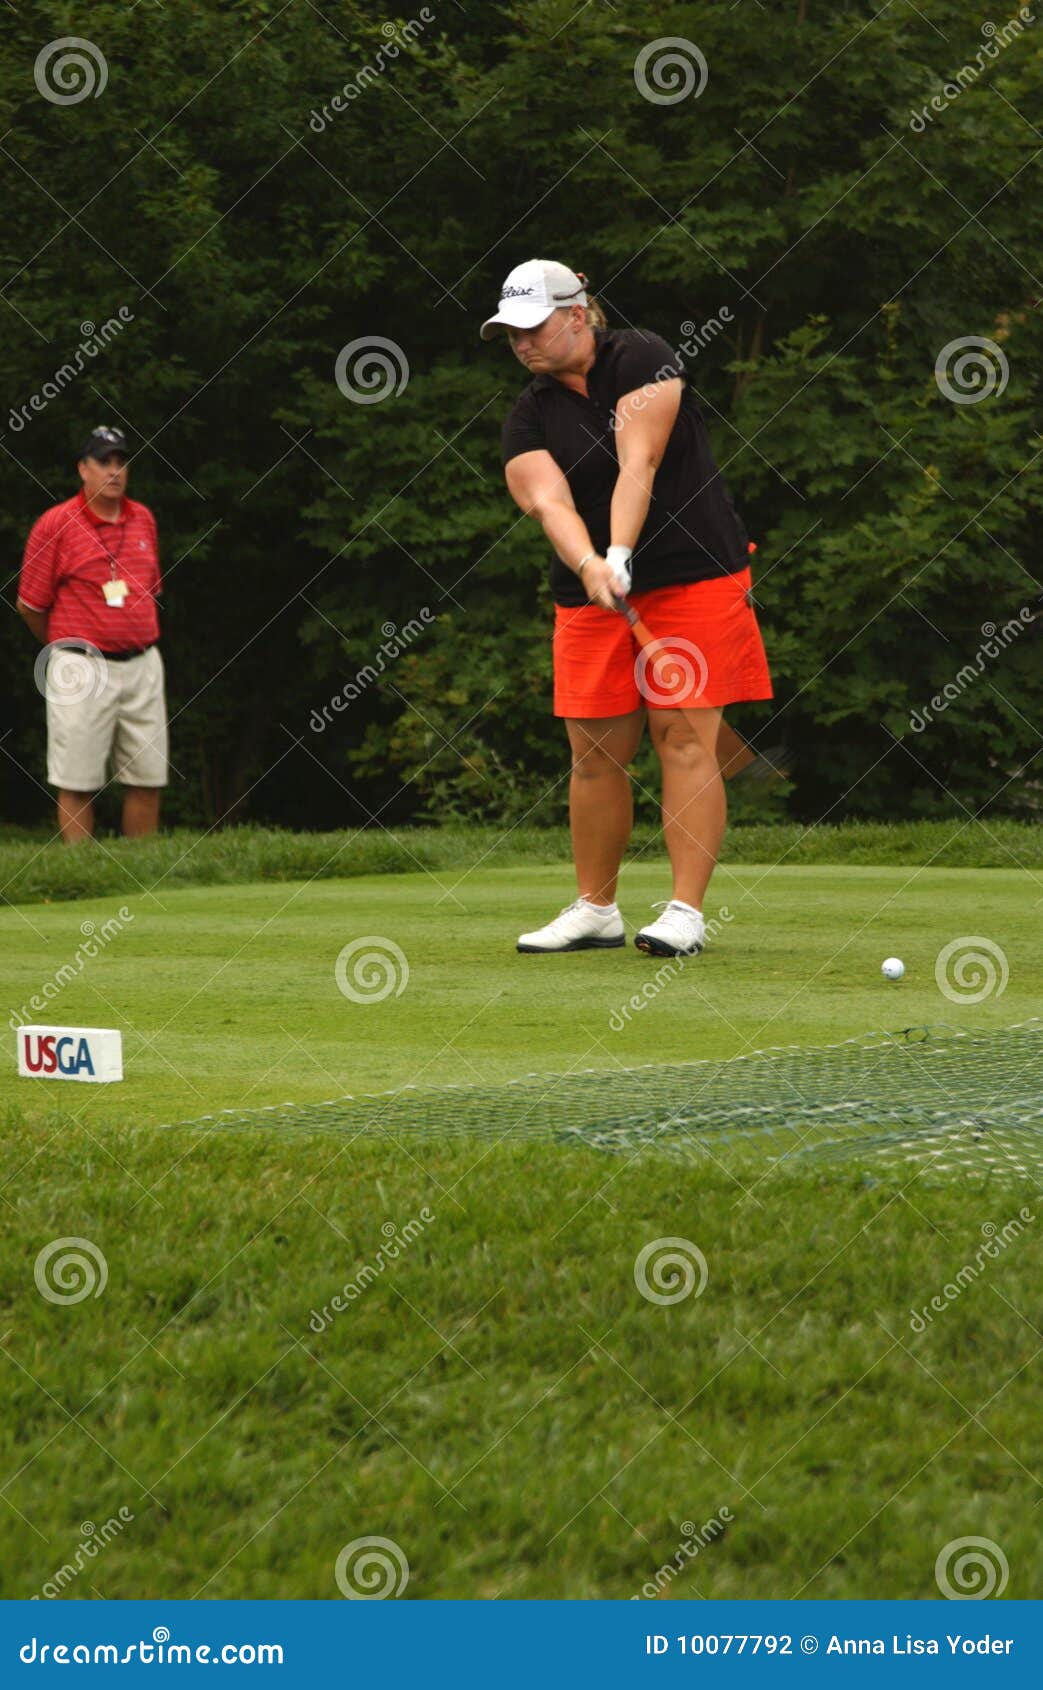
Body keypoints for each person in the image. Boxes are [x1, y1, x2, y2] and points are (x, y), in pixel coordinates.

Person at [482, 259, 773, 957]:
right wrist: (589, 564)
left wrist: (618, 551)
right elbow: (546, 500)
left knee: (681, 735)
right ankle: (596, 908)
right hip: (590, 596)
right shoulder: (529, 414)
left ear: (576, 314)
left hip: (693, 575)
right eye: (510, 333)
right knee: (592, 755)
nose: (521, 344)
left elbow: (636, 459)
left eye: (533, 327)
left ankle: (683, 912)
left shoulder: (641, 356)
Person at [17, 426, 168, 843]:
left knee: (147, 775)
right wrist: (65, 650)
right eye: (104, 461)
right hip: (81, 665)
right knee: (78, 779)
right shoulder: (56, 524)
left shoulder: (143, 519)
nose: (114, 471)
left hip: (142, 662)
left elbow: (149, 592)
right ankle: (85, 876)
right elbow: (30, 605)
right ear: (83, 469)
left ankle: (141, 877)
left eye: (121, 461)